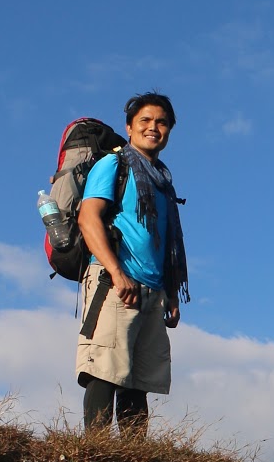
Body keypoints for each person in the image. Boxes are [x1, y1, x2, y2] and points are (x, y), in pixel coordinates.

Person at [76, 92, 189, 432]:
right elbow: (88, 217)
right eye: (145, 120)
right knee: (104, 370)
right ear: (129, 127)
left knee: (138, 381)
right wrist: (115, 271)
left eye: (162, 122)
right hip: (115, 282)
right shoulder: (114, 164)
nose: (154, 127)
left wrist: (170, 292)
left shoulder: (163, 182)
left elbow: (164, 241)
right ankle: (94, 455)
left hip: (152, 290)